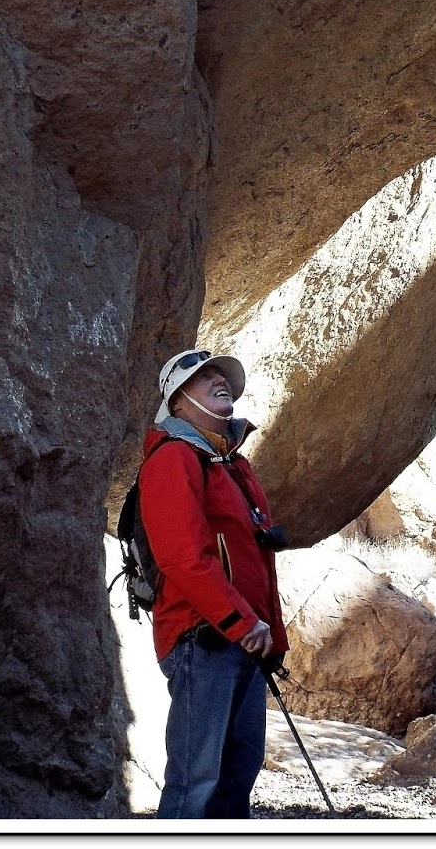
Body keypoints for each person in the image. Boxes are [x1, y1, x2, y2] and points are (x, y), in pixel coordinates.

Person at [140, 347, 289, 819]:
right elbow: (183, 558)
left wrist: (268, 636)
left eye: (222, 375)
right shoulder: (173, 458)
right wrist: (242, 622)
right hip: (202, 638)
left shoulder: (232, 464)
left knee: (237, 777)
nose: (220, 380)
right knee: (195, 783)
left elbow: (256, 558)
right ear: (178, 400)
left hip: (240, 640)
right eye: (204, 377)